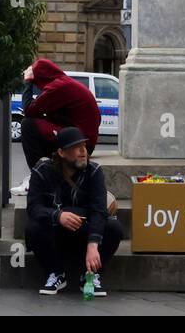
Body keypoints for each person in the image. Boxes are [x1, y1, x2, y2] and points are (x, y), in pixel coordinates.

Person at [25, 127, 121, 297]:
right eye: (76, 147)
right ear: (62, 153)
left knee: (114, 227)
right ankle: (55, 273)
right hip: (56, 234)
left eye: (84, 146)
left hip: (85, 233)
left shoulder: (94, 171)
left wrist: (93, 244)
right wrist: (58, 215)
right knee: (33, 228)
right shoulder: (43, 171)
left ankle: (90, 275)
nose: (83, 151)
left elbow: (99, 210)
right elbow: (33, 207)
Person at [20, 58, 100, 171]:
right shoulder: (65, 83)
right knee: (39, 123)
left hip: (79, 142)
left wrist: (28, 82)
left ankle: (36, 175)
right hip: (84, 141)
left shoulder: (57, 87)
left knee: (28, 125)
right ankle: (48, 171)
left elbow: (28, 110)